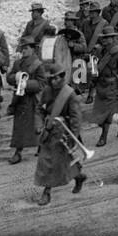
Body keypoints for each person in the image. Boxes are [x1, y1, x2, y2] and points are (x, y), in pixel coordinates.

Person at [35, 62, 86, 205]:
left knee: (59, 162)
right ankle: (77, 177)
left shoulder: (70, 95)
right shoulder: (47, 91)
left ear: (62, 77)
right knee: (47, 161)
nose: (54, 81)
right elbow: (39, 109)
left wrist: (72, 137)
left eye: (57, 78)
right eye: (52, 78)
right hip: (49, 130)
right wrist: (39, 125)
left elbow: (76, 119)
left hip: (64, 133)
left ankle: (48, 191)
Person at [5, 40, 44, 164]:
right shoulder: (18, 63)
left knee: (37, 126)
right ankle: (18, 152)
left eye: (26, 48)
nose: (23, 50)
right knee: (19, 128)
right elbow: (9, 78)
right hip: (20, 99)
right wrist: (16, 78)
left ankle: (41, 146)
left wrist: (26, 84)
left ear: (32, 49)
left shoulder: (38, 64)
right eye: (22, 48)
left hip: (33, 99)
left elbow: (41, 83)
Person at [90, 27, 118, 147]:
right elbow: (95, 67)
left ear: (113, 38)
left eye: (107, 38)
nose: (104, 40)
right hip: (101, 86)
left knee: (106, 115)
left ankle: (103, 137)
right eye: (103, 38)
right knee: (101, 112)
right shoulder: (99, 51)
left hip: (112, 86)